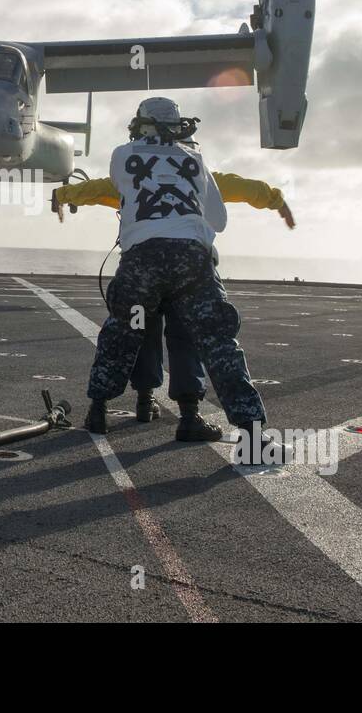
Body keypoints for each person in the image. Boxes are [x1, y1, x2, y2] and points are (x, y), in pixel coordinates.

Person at [65, 97, 284, 461]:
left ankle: (98, 411)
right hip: (191, 264)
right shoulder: (195, 160)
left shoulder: (121, 155)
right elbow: (218, 220)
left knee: (124, 329)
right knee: (215, 341)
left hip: (141, 262)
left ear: (139, 124)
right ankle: (249, 435)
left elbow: (122, 191)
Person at [52, 166, 294, 437]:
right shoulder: (200, 176)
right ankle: (190, 416)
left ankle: (108, 408)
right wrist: (276, 200)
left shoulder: (134, 176)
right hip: (187, 274)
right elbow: (246, 187)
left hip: (141, 274)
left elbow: (95, 189)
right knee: (184, 339)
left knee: (135, 332)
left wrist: (63, 194)